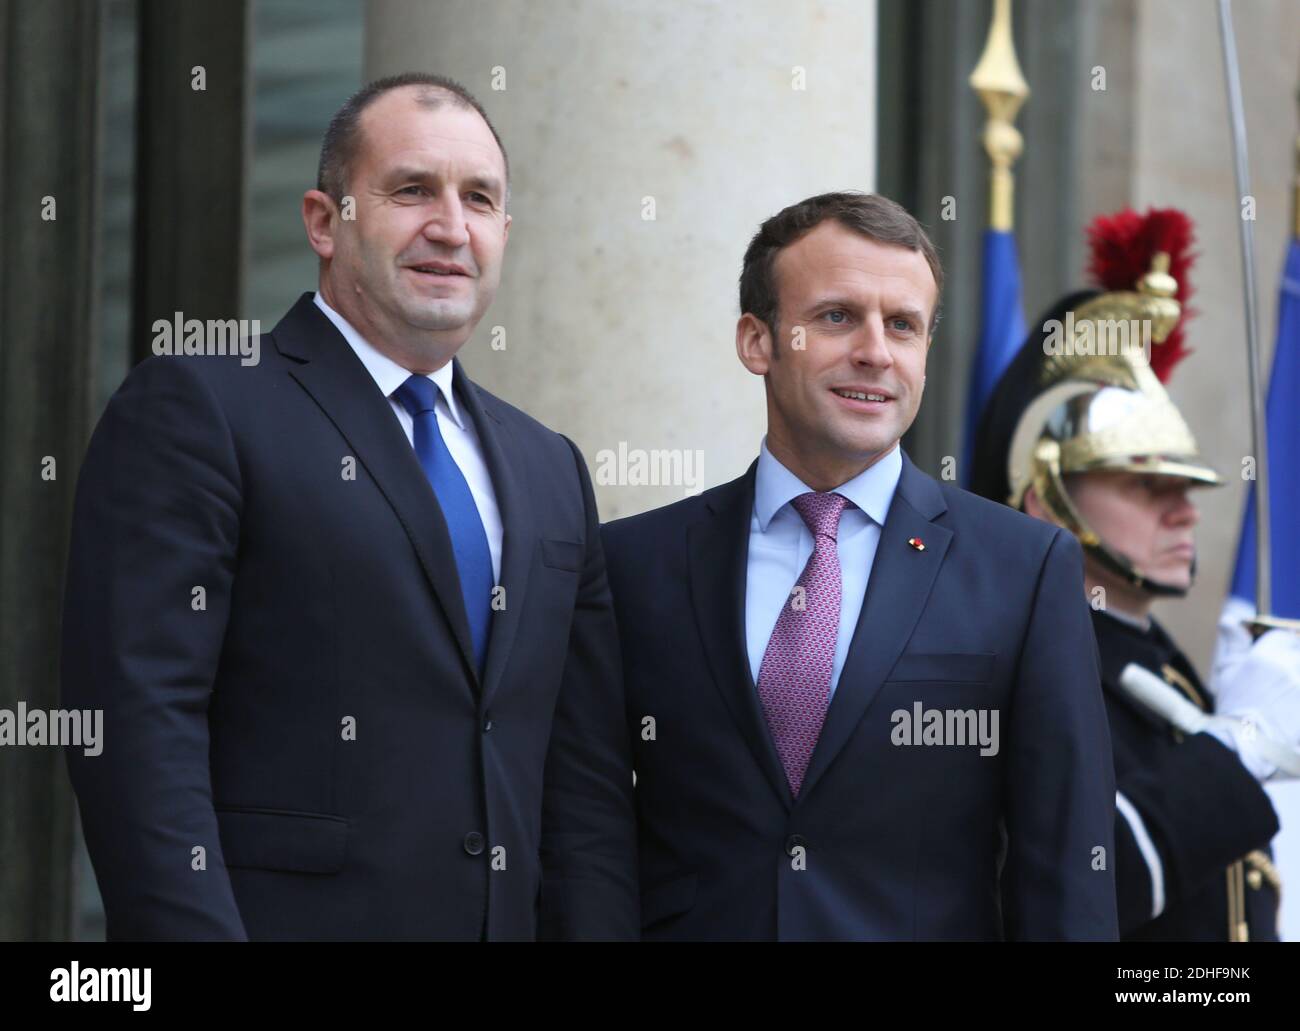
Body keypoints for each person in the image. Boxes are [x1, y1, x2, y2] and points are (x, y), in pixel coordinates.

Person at [61, 73, 637, 941]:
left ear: (504, 234)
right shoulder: (201, 409)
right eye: (411, 190)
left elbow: (583, 784)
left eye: (478, 199)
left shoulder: (549, 466)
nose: (451, 226)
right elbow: (138, 729)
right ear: (326, 222)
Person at [602, 191, 1119, 941]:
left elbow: (1067, 868)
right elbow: (587, 832)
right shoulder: (632, 563)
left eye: (903, 325)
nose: (876, 351)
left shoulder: (1025, 569)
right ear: (758, 341)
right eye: (839, 316)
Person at [971, 206, 1300, 941]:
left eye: (1186, 489)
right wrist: (1234, 750)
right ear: (1045, 501)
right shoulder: (1018, 673)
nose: (1185, 513)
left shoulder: (1160, 671)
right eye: (1148, 488)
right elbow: (1067, 885)